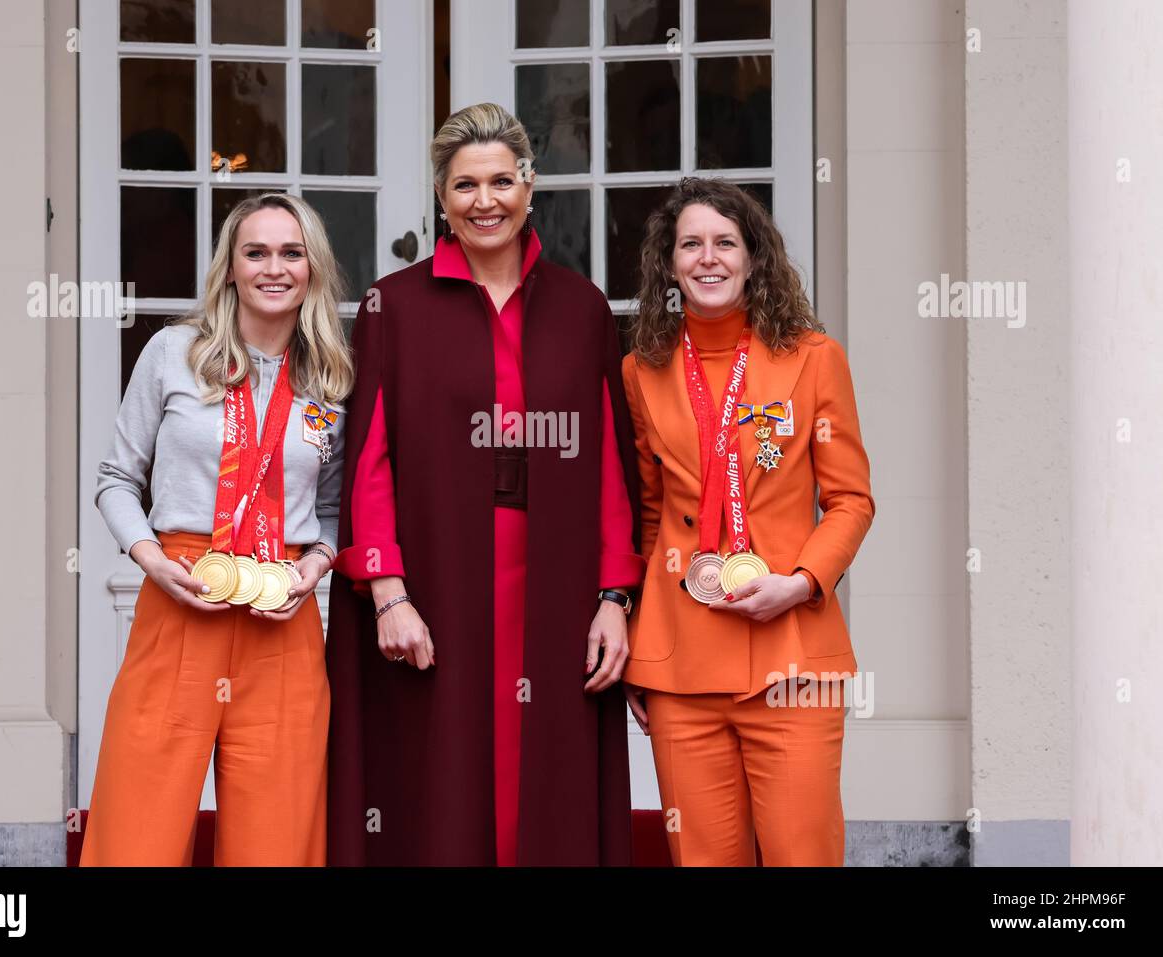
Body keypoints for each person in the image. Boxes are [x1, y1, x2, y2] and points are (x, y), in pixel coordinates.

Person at [326, 102, 645, 865]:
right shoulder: (393, 305)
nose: (486, 200)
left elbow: (608, 465)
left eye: (503, 180)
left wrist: (614, 595)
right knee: (437, 787)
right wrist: (388, 590)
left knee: (549, 788)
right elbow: (368, 457)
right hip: (436, 581)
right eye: (465, 184)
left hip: (557, 583)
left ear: (531, 188)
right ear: (443, 198)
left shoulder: (582, 309)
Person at [80, 193, 351, 866]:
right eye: (254, 252)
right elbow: (116, 478)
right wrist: (150, 557)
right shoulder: (173, 352)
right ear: (229, 267)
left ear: (312, 267)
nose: (274, 268)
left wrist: (313, 568)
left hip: (281, 620)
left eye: (291, 253)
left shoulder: (331, 379)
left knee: (278, 832)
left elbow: (338, 509)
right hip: (180, 599)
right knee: (138, 820)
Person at [621, 177, 874, 866]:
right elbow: (649, 517)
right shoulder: (641, 371)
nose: (709, 258)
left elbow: (851, 499)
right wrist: (641, 649)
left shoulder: (815, 359)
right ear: (669, 264)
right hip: (681, 664)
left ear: (754, 256)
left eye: (725, 242)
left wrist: (801, 581)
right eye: (691, 244)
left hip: (792, 652)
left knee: (803, 855)